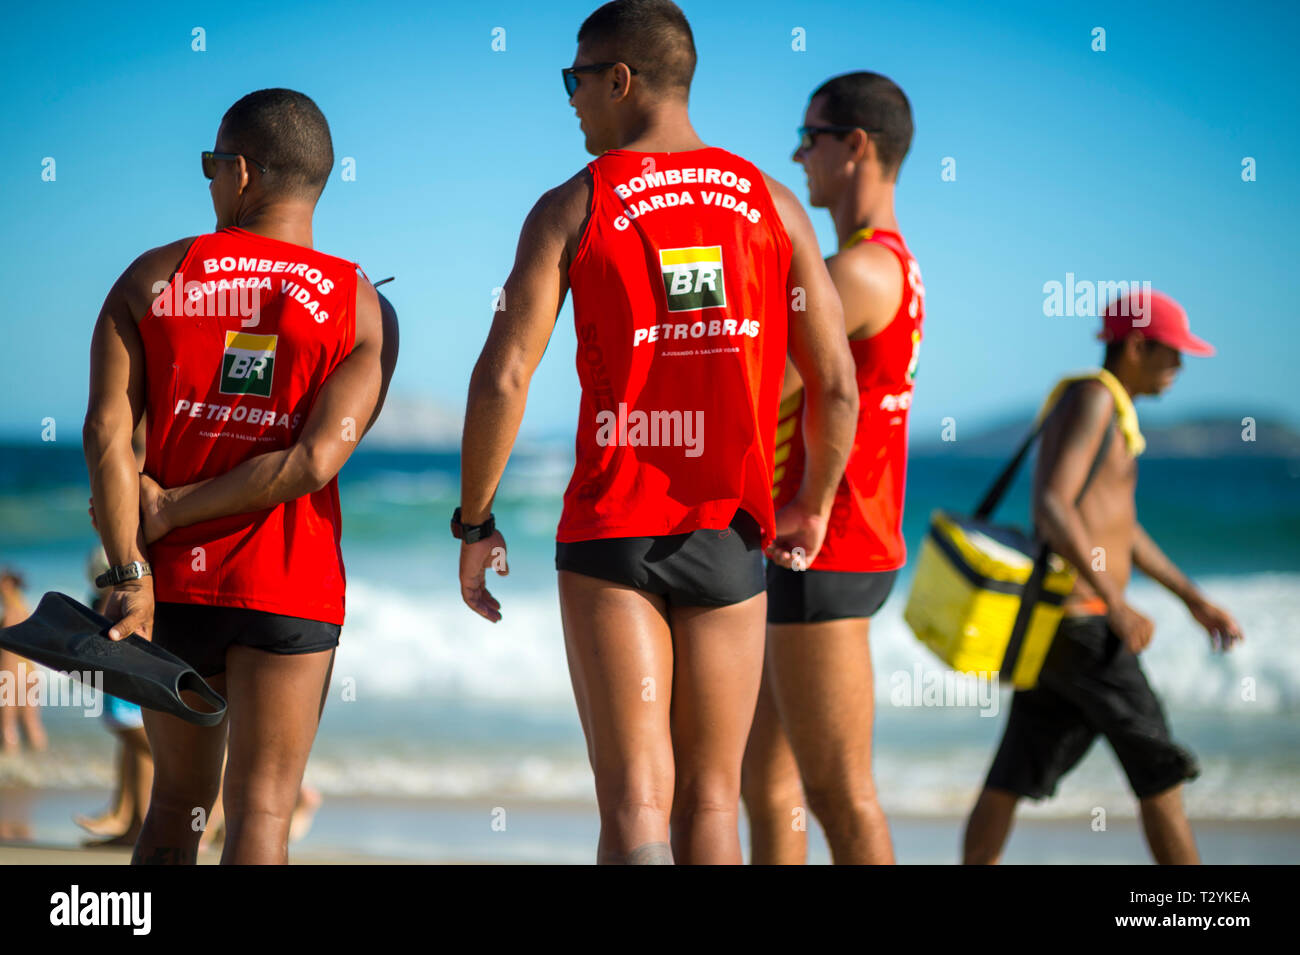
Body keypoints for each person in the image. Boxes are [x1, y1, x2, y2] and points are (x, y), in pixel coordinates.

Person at [457, 0, 858, 865]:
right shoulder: (774, 204)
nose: (570, 100)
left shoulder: (573, 205)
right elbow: (838, 385)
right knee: (712, 801)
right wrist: (813, 504)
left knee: (637, 799)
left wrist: (475, 519)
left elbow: (503, 375)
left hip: (612, 527)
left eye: (575, 80)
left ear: (620, 79)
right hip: (728, 530)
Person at [83, 88, 397, 864]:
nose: (210, 182)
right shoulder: (361, 308)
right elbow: (314, 461)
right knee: (261, 813)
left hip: (171, 589)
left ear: (243, 172)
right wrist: (177, 508)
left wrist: (133, 561)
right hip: (291, 583)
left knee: (176, 806)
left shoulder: (151, 278)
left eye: (211, 166)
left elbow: (105, 434)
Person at [962, 289, 1244, 865]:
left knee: (1012, 773)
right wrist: (1115, 603)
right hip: (1086, 625)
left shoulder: (1109, 408)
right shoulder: (1093, 400)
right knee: (1159, 767)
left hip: (1064, 625)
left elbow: (1123, 530)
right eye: (1173, 352)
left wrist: (1193, 599)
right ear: (1138, 345)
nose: (1181, 366)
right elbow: (1052, 506)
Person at [741, 72, 923, 865]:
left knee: (840, 795)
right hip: (829, 541)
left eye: (808, 138)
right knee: (764, 783)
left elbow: (755, 387)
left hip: (827, 542)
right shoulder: (889, 264)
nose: (796, 155)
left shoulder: (856, 274)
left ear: (855, 146)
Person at [0, 569, 47, 753]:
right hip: (28, 672)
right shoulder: (23, 606)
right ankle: (39, 764)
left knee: (6, 723)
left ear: (9, 585)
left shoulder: (11, 611)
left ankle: (10, 769)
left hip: (12, 674)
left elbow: (8, 651)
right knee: (31, 723)